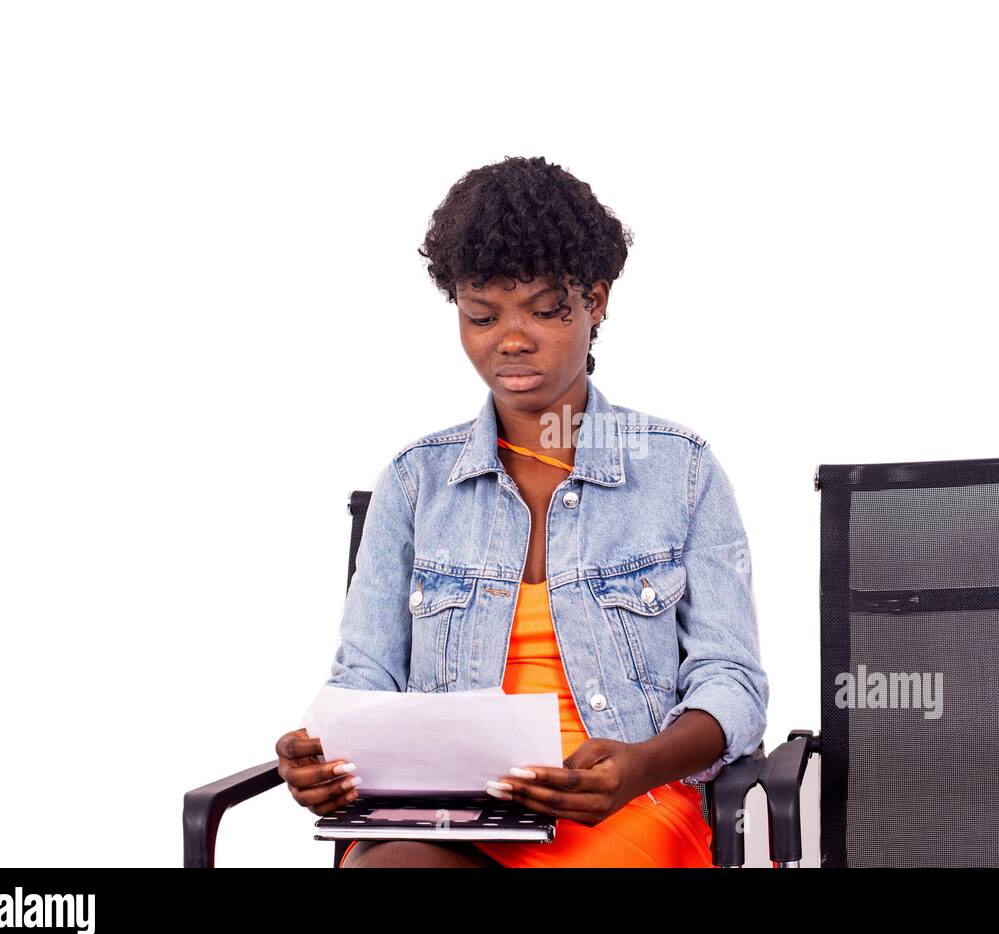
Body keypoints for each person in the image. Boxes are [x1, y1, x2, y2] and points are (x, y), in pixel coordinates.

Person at [275, 156, 768, 867]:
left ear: (595, 301)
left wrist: (639, 763)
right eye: (482, 315)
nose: (510, 338)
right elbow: (364, 680)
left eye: (544, 310)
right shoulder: (416, 483)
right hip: (454, 815)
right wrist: (322, 753)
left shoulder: (679, 470)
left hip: (628, 805)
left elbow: (733, 684)